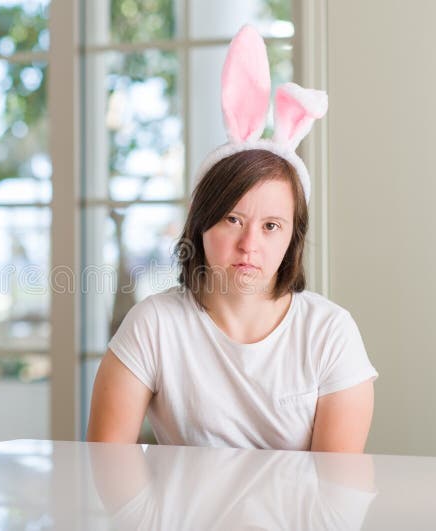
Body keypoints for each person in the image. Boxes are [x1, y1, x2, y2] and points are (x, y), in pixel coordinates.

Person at [86, 25, 378, 452]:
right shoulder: (154, 326)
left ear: (291, 238)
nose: (249, 245)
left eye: (271, 226)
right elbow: (105, 471)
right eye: (231, 219)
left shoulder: (330, 333)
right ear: (200, 224)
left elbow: (332, 497)